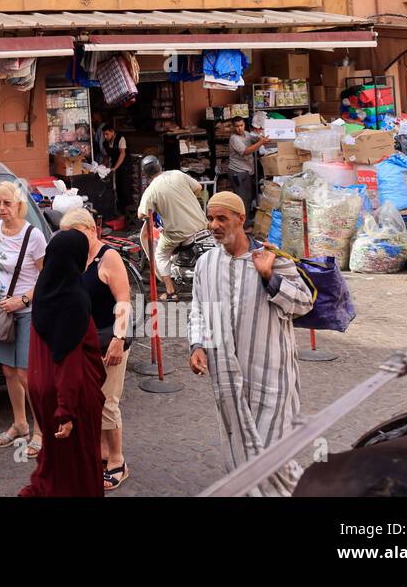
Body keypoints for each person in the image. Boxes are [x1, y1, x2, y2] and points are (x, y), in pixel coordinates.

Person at [187, 192, 315, 496]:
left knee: (273, 452)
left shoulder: (271, 257)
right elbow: (198, 309)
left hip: (271, 373)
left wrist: (269, 275)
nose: (214, 225)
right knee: (237, 447)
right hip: (226, 374)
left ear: (241, 220)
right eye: (210, 218)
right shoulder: (206, 263)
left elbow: (303, 303)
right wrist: (196, 345)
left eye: (222, 218)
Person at [19, 229, 106, 497]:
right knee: (77, 464)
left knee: (56, 461)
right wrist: (66, 413)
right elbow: (68, 362)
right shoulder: (73, 300)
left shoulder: (45, 291)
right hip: (69, 399)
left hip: (43, 393)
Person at [59, 207, 133, 492]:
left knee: (108, 401)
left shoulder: (109, 257)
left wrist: (118, 338)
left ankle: (117, 461)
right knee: (90, 401)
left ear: (91, 230)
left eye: (76, 234)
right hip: (83, 343)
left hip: (109, 340)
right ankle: (101, 452)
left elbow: (124, 299)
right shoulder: (76, 258)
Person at [0, 180, 47, 455]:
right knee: (7, 370)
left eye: (6, 202)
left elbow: (46, 277)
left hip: (28, 312)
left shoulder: (34, 236)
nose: (2, 208)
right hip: (2, 310)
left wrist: (24, 299)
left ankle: (41, 429)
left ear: (19, 203)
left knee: (25, 374)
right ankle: (20, 424)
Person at [136, 155, 208, 303]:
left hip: (179, 232)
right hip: (201, 224)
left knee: (160, 255)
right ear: (160, 165)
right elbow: (198, 187)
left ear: (146, 173)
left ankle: (170, 292)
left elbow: (141, 214)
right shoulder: (177, 173)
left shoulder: (151, 190)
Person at [227, 118, 268, 219]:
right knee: (243, 199)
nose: (239, 128)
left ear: (244, 125)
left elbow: (253, 139)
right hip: (238, 172)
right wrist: (260, 143)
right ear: (233, 127)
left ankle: (245, 223)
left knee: (248, 198)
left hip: (246, 171)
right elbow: (246, 152)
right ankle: (243, 226)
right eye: (237, 126)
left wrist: (261, 138)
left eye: (241, 125)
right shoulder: (234, 138)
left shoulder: (246, 134)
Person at [100, 122, 128, 217]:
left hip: (124, 166)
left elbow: (122, 154)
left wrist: (115, 168)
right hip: (114, 167)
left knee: (123, 189)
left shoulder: (121, 138)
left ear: (112, 132)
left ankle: (126, 213)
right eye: (104, 134)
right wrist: (102, 167)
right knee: (115, 189)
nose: (105, 136)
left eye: (107, 134)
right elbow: (106, 157)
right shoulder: (105, 143)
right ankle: (118, 211)